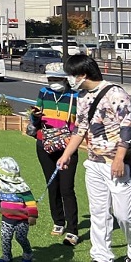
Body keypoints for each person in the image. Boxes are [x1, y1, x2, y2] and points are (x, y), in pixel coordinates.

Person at [56, 54, 131, 262]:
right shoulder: (83, 96)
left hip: (117, 163)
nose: (70, 79)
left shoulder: (116, 93)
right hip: (94, 162)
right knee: (98, 212)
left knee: (124, 214)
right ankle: (101, 258)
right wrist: (66, 154)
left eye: (72, 74)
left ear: (83, 74)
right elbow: (80, 128)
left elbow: (126, 127)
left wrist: (119, 159)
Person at [27, 64, 81, 245]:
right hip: (45, 143)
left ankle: (73, 229)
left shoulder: (75, 96)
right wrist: (35, 116)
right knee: (52, 185)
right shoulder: (44, 92)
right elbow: (35, 120)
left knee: (67, 188)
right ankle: (58, 221)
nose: (52, 83)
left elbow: (80, 123)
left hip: (67, 146)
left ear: (65, 79)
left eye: (55, 80)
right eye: (50, 80)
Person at [0, 156, 38, 262]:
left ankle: (28, 253)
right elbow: (0, 199)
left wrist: (32, 216)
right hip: (6, 218)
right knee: (5, 238)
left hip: (22, 220)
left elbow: (31, 203)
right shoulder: (2, 187)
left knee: (21, 238)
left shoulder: (22, 189)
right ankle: (6, 256)